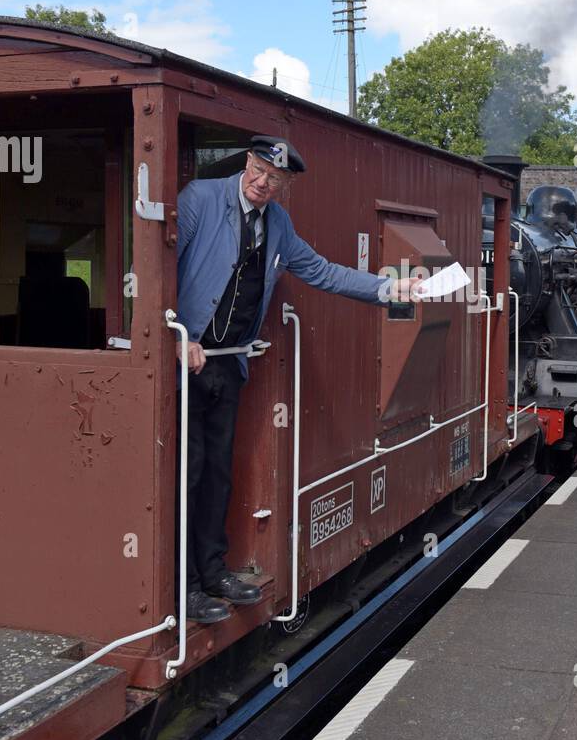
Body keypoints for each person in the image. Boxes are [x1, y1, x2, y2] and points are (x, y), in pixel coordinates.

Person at [175, 135, 419, 623]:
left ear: (285, 186)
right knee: (190, 473)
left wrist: (391, 287)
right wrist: (175, 332)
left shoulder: (278, 223)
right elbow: (158, 263)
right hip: (187, 359)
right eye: (260, 172)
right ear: (247, 162)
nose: (264, 184)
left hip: (229, 362)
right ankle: (183, 589)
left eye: (276, 180)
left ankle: (212, 571)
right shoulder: (199, 199)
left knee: (219, 474)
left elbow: (322, 271)